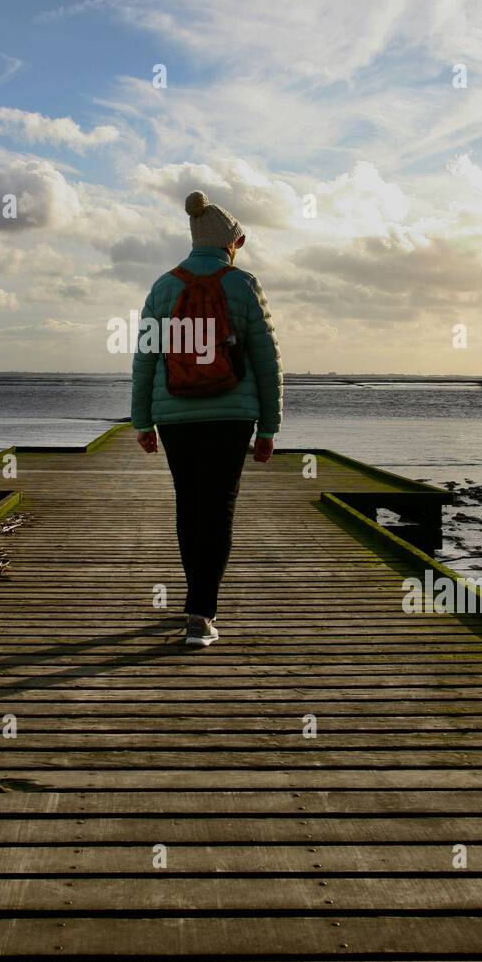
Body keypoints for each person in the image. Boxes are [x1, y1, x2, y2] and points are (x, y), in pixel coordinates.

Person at [131, 190, 283, 647]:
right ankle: (201, 614)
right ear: (231, 242)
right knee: (218, 509)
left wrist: (142, 421)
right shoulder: (243, 284)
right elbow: (266, 358)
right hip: (231, 416)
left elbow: (144, 359)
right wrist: (269, 427)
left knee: (189, 505)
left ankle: (195, 603)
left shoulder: (163, 286)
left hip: (175, 417)